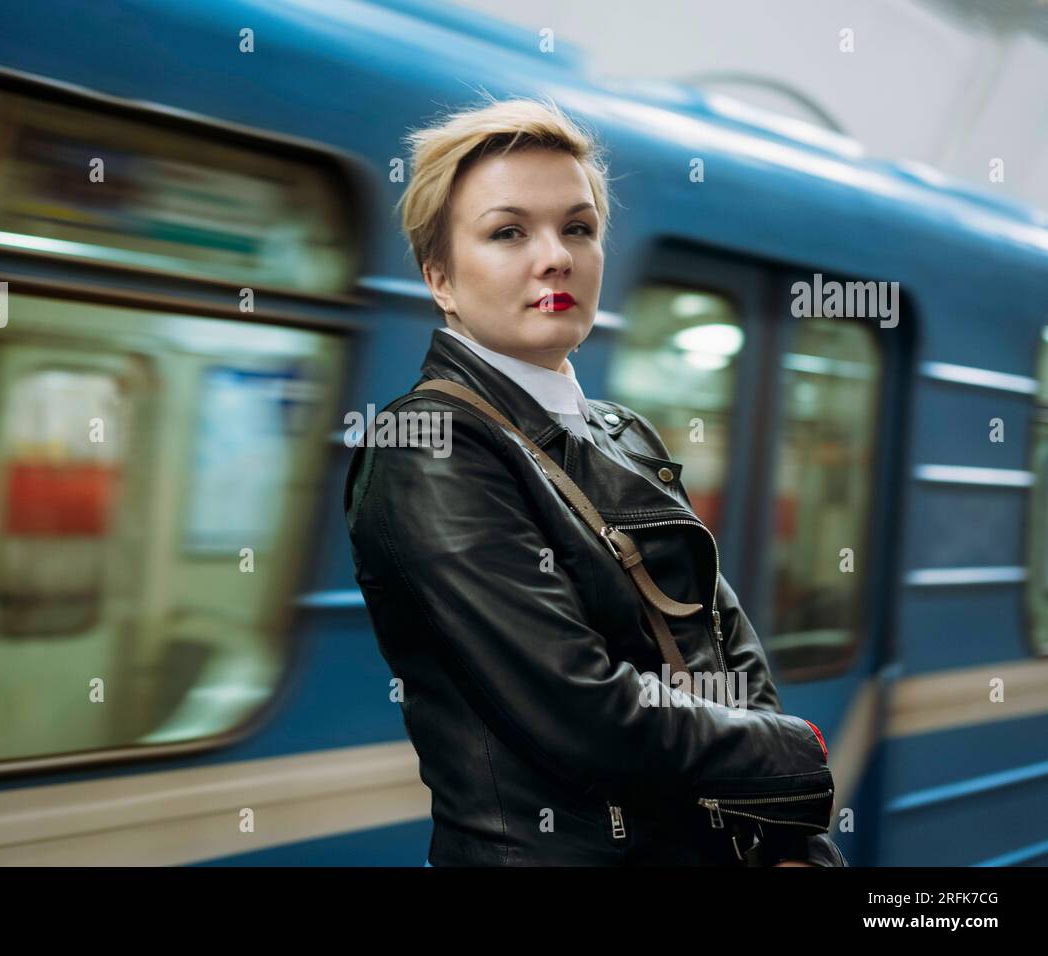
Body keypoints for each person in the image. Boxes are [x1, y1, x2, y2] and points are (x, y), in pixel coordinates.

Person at [344, 95, 845, 867]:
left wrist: (784, 841)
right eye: (509, 232)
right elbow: (584, 711)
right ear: (439, 276)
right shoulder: (431, 450)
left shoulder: (622, 433)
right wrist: (796, 757)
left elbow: (722, 648)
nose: (556, 257)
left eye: (578, 228)